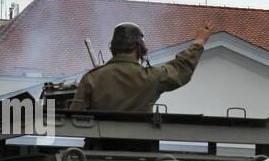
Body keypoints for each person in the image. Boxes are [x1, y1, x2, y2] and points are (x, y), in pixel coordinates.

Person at [70, 21, 211, 112]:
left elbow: (75, 117)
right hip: (142, 150)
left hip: (98, 151)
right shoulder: (151, 77)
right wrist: (199, 41)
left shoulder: (91, 78)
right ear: (139, 48)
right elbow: (180, 69)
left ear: (113, 47)